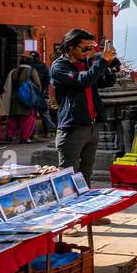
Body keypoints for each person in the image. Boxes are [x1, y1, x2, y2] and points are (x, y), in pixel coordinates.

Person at [51, 29, 119, 184]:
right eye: (84, 48)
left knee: (86, 174)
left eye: (90, 48)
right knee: (68, 175)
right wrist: (102, 62)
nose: (88, 51)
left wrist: (110, 66)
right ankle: (68, 207)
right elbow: (83, 81)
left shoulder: (86, 64)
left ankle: (84, 205)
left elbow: (104, 82)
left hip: (92, 126)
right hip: (72, 128)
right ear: (70, 46)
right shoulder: (60, 66)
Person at [6, 56, 41, 144]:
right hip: (27, 98)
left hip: (14, 98)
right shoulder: (32, 71)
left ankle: (10, 135)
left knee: (13, 118)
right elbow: (38, 84)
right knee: (28, 118)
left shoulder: (13, 72)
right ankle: (25, 137)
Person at [28, 51, 56, 137]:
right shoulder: (43, 66)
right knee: (44, 112)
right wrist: (44, 89)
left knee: (33, 113)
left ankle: (34, 132)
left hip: (31, 93)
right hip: (42, 93)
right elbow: (48, 79)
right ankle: (49, 131)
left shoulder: (29, 67)